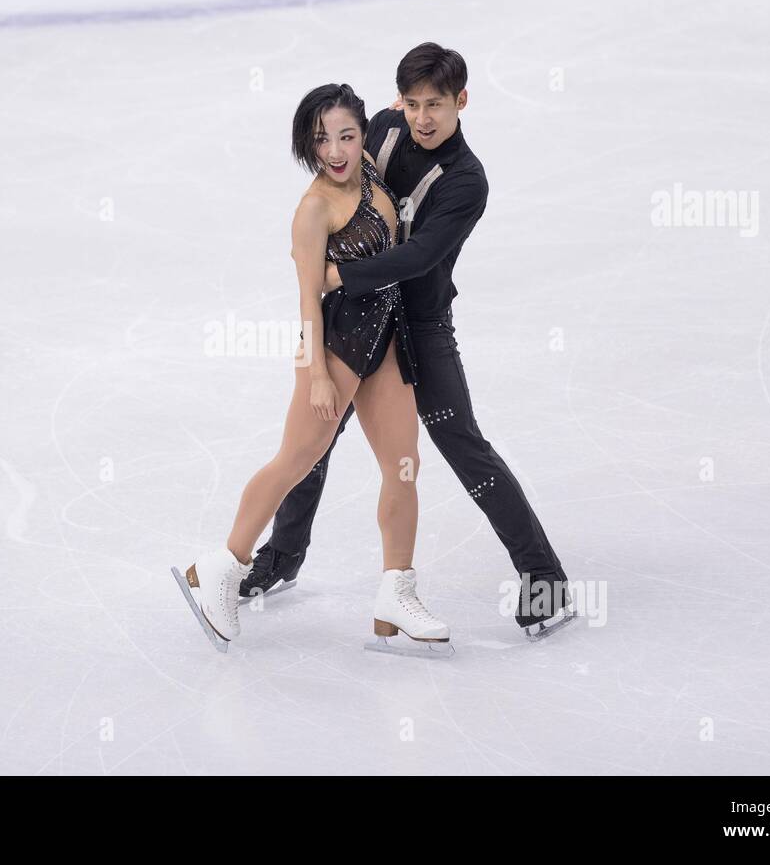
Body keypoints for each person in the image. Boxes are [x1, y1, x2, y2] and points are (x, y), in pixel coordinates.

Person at [241, 43, 574, 641]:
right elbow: (336, 188)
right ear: (399, 102)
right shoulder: (382, 130)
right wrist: (314, 254)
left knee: (463, 446)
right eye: (414, 103)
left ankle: (544, 579)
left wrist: (336, 274)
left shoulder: (467, 181)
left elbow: (421, 256)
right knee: (316, 438)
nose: (423, 118)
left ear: (461, 102)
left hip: (420, 327)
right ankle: (280, 559)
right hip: (357, 321)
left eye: (437, 106)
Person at [172, 83, 449, 653]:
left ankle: (397, 589)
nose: (338, 150)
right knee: (296, 460)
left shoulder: (371, 163)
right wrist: (319, 374)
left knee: (403, 464)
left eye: (348, 135)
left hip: (386, 340)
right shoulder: (314, 209)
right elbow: (306, 303)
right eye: (323, 140)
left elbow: (390, 120)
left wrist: (401, 105)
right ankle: (222, 566)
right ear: (309, 143)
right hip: (334, 345)